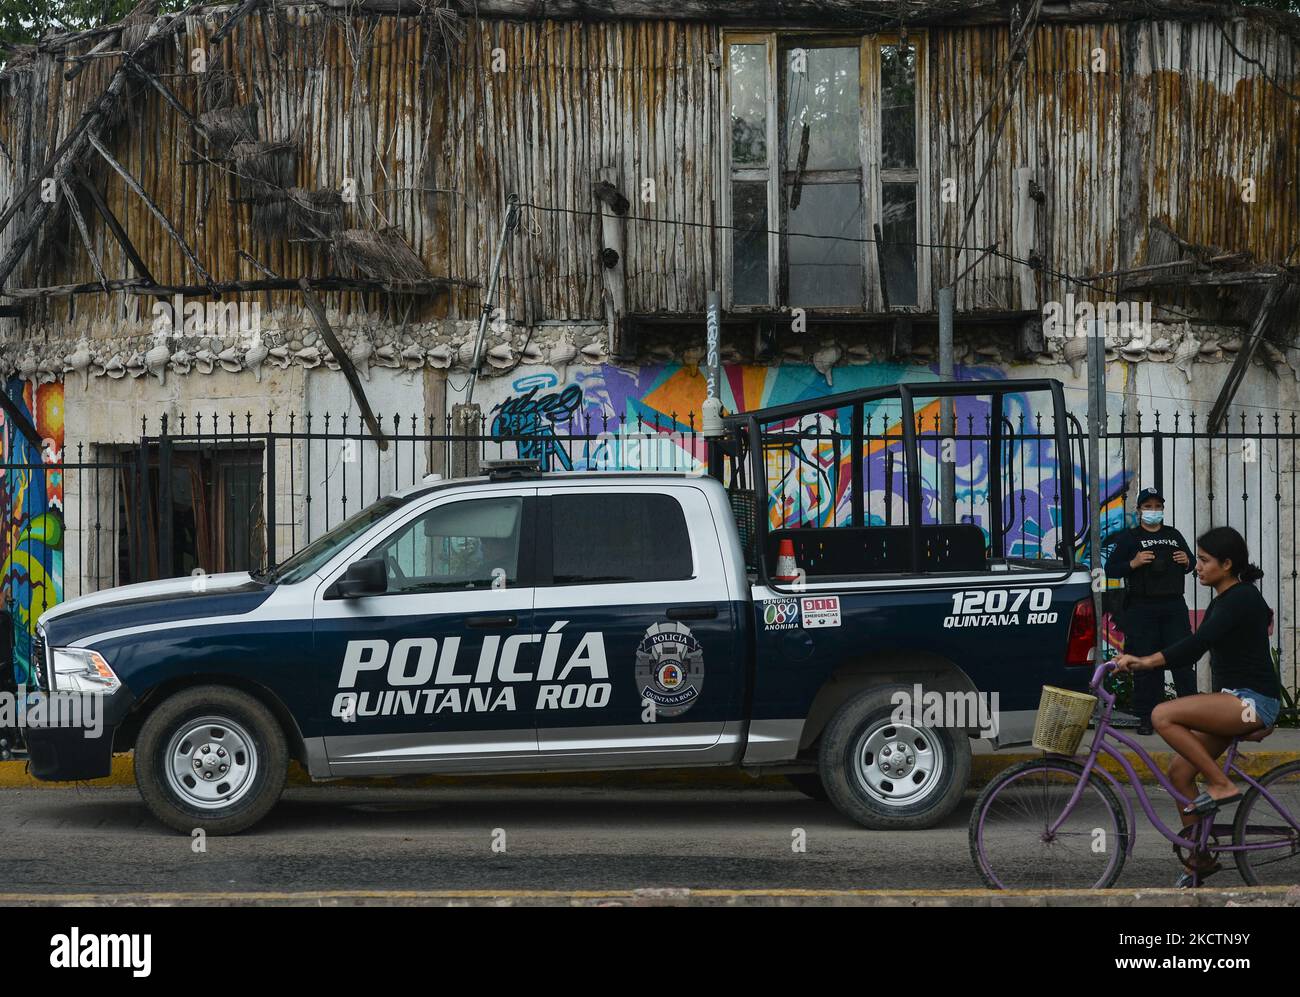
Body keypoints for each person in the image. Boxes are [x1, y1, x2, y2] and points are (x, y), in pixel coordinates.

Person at [1113, 526, 1281, 886]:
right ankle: (1199, 858)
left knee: (1162, 713)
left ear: (1226, 563)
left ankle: (1220, 784)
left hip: (1252, 702)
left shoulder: (1240, 599)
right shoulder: (1226, 599)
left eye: (1204, 561)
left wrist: (1146, 661)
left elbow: (1196, 645)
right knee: (1179, 773)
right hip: (1235, 699)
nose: (1197, 567)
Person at [1104, 487, 1197, 734]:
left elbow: (1192, 562)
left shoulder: (1173, 534)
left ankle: (1192, 716)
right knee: (1146, 665)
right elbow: (1111, 569)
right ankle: (1147, 717)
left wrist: (1187, 562)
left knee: (1183, 662)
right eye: (1148, 507)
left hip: (1174, 606)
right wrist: (1133, 563)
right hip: (1142, 607)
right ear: (1139, 511)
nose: (1153, 511)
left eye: (1157, 507)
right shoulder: (1130, 537)